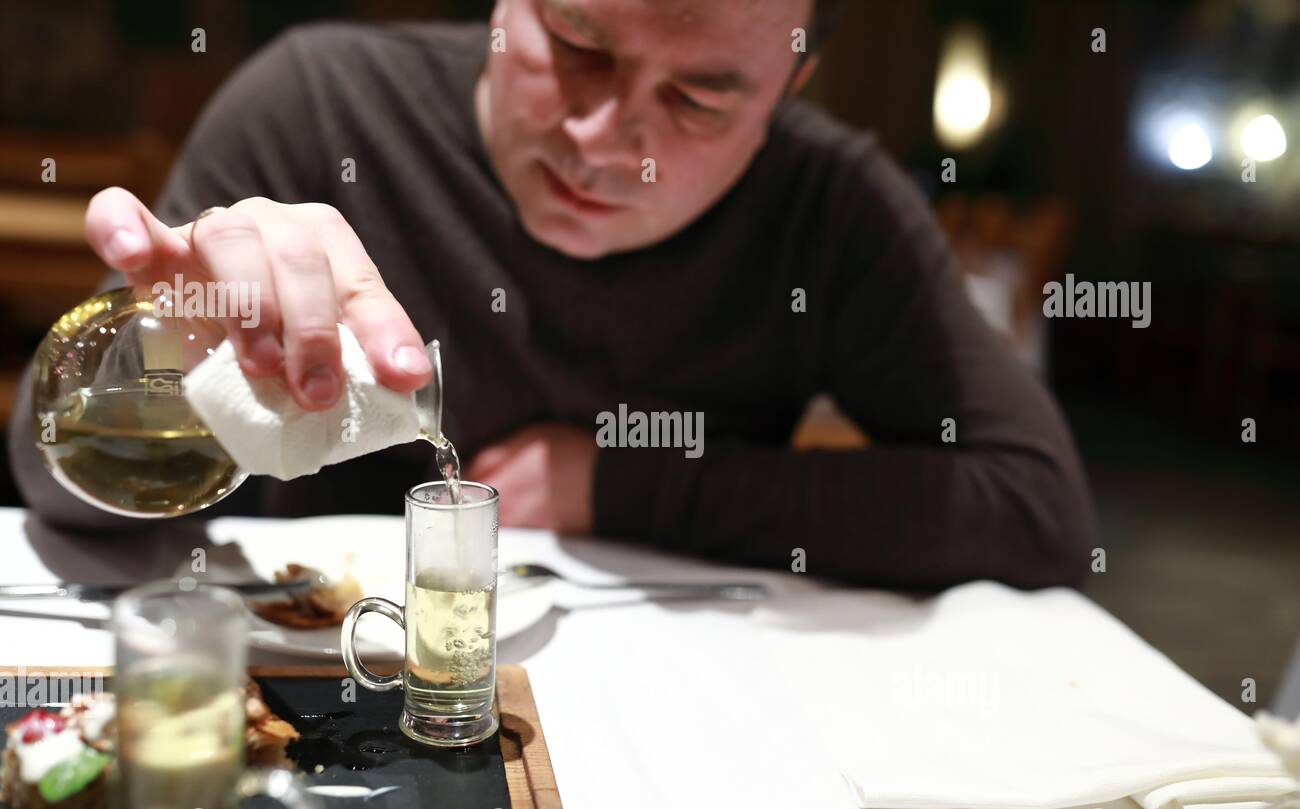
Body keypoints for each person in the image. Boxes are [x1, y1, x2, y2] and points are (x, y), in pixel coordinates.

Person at [9, 0, 1095, 590]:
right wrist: (161, 340)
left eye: (701, 98)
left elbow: (1037, 511)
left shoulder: (830, 210)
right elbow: (59, 490)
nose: (605, 141)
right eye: (576, 44)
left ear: (791, 83)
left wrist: (615, 482)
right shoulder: (318, 108)